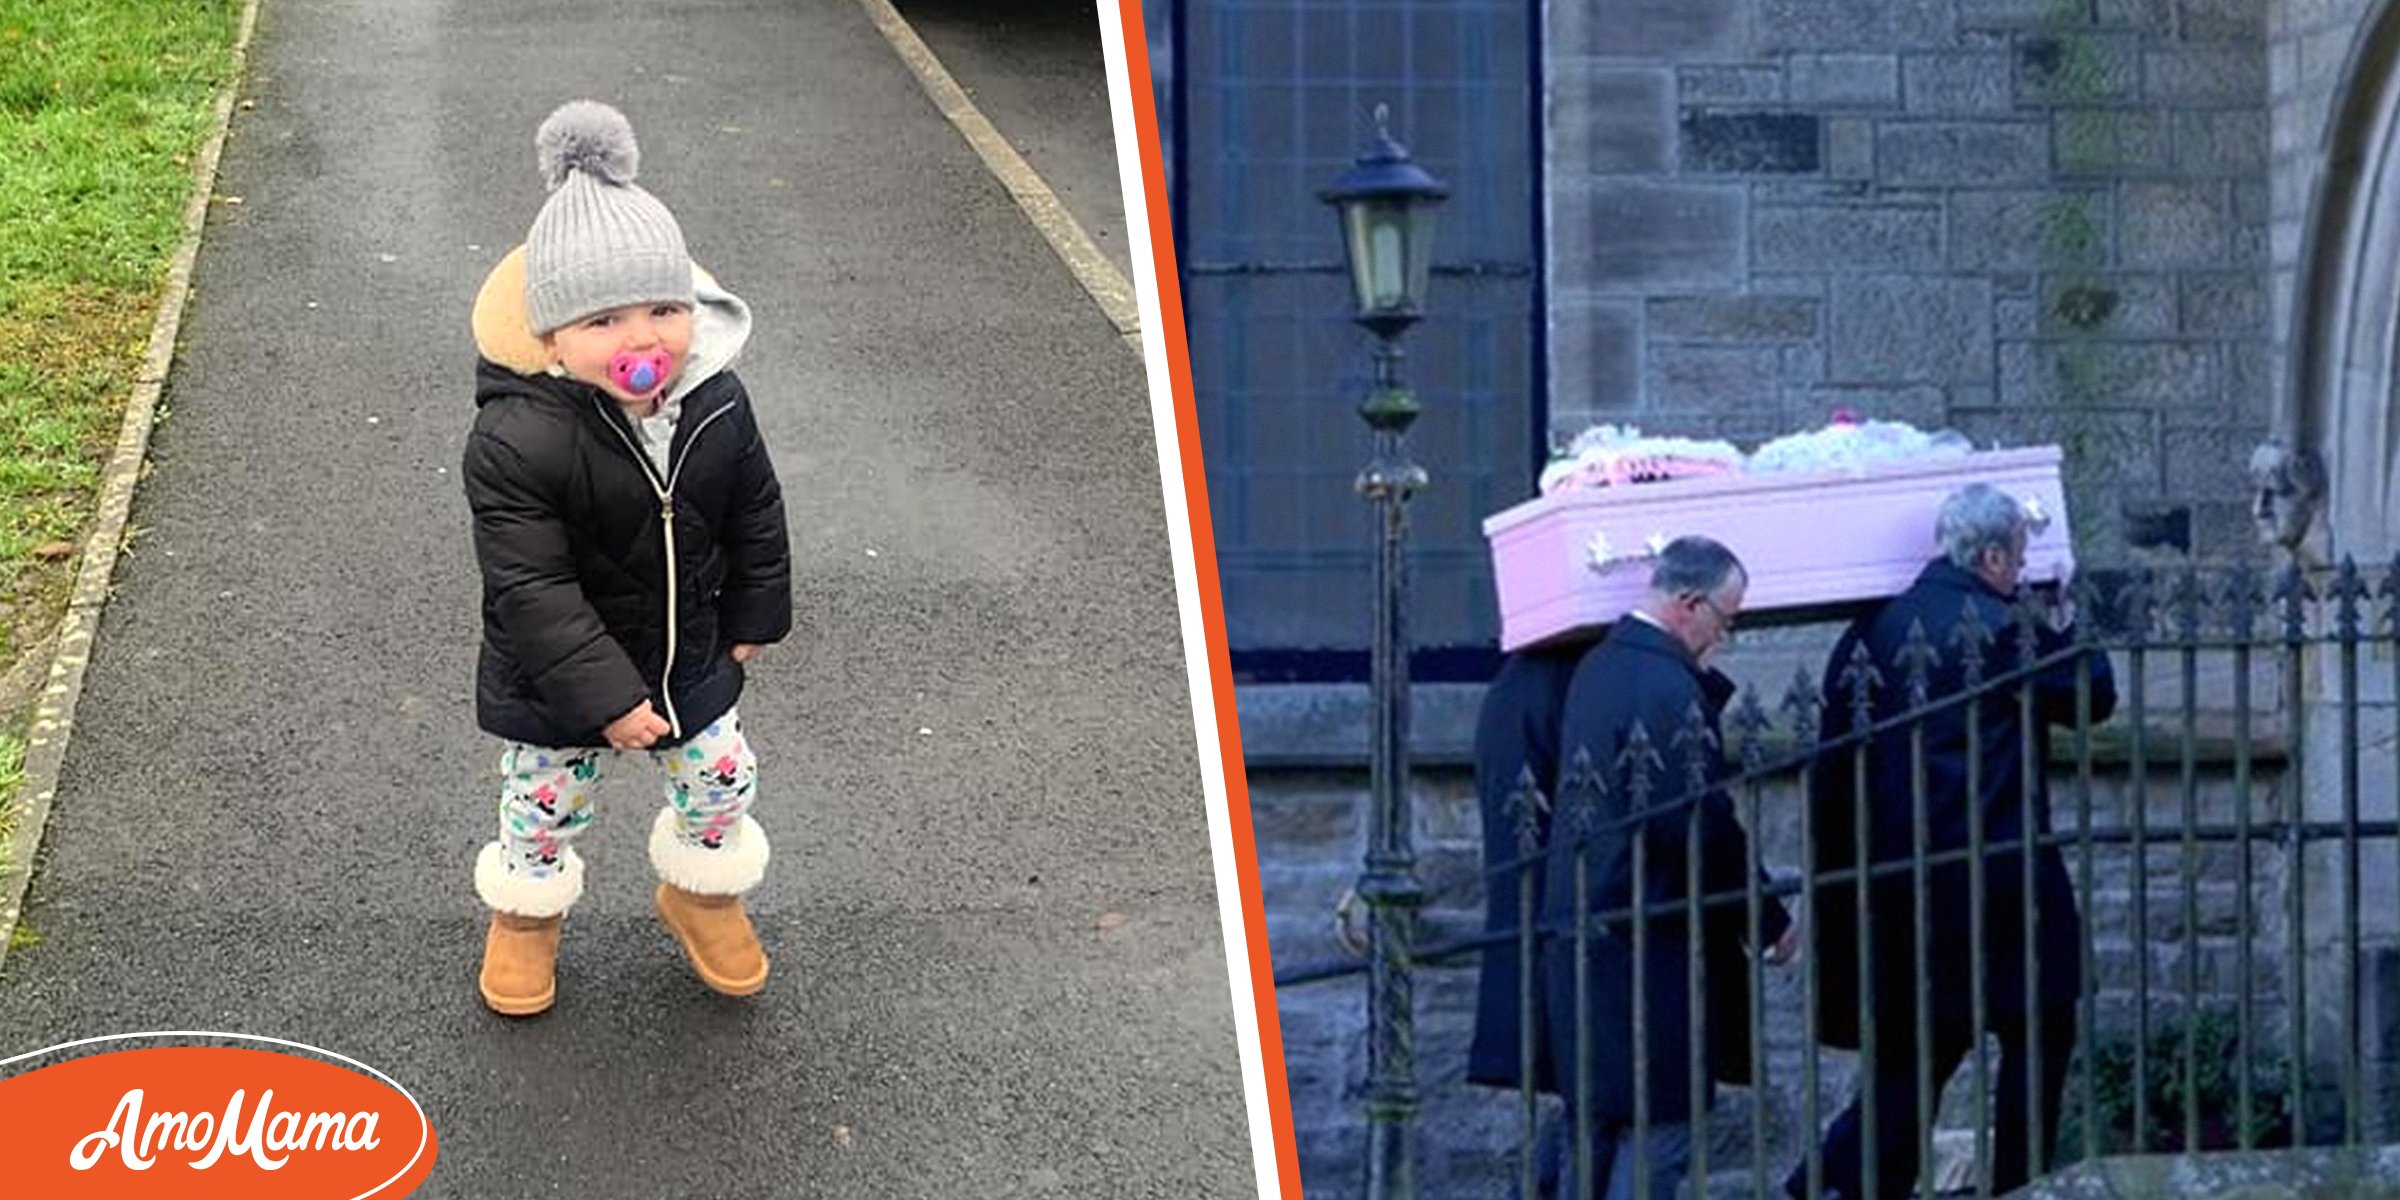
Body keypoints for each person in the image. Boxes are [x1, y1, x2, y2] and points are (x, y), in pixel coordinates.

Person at [462, 100, 792, 1017]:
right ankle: (527, 919)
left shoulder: (716, 402)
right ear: (553, 338)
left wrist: (758, 614)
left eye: (662, 309)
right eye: (605, 319)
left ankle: (703, 892)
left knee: (724, 779)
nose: (643, 339)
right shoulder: (517, 441)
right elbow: (531, 585)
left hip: (687, 654)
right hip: (565, 680)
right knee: (543, 803)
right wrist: (604, 698)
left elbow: (756, 511)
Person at [1792, 483, 2117, 1200]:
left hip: (1903, 887)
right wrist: (2063, 620)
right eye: (2018, 558)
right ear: (1995, 554)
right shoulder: (2001, 624)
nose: (2020, 570)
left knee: (1917, 1051)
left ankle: (1844, 1182)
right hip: (2003, 879)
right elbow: (2094, 695)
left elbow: (1833, 768)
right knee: (2040, 1031)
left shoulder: (1871, 630)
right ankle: (2017, 1185)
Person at [1541, 536, 1798, 1200]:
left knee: (1592, 1129)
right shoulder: (1664, 686)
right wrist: (1767, 919)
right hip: (1647, 939)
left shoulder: (1599, 666)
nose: (1725, 635)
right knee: (1661, 1129)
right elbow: (1698, 824)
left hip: (1585, 930)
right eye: (1727, 619)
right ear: (1690, 604)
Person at [1468, 630, 1603, 1199]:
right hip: (1578, 931)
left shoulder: (1522, 683)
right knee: (1605, 1098)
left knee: (1591, 1103)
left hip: (1549, 925)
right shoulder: (1575, 682)